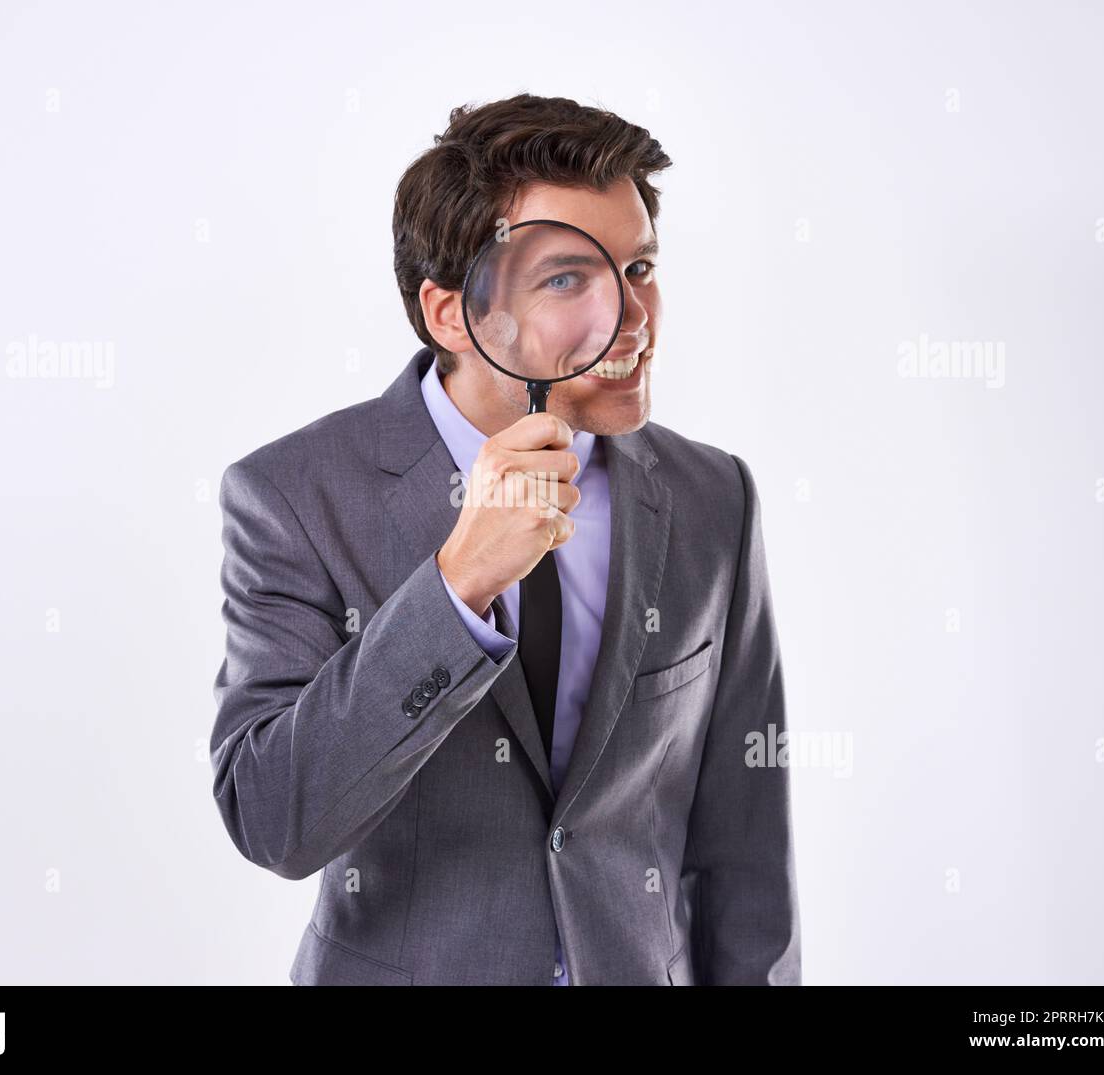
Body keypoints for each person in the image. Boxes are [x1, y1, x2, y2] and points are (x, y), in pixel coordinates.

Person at [210, 93, 801, 986]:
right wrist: (454, 589)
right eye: (568, 278)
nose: (631, 318)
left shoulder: (714, 496)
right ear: (451, 314)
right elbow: (274, 819)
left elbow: (745, 850)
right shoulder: (294, 496)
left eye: (639, 267)